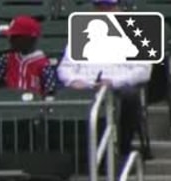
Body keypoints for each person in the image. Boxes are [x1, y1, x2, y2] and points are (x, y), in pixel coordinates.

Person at [58, 0, 151, 165]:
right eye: (100, 7)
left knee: (130, 96)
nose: (104, 11)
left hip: (117, 88)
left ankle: (122, 149)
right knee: (64, 95)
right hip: (86, 88)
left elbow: (144, 71)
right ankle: (81, 154)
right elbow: (64, 69)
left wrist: (113, 82)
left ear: (118, 8)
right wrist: (74, 80)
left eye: (109, 7)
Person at [0, 16, 56, 97]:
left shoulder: (43, 64)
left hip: (33, 107)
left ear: (29, 39)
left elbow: (49, 93)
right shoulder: (9, 58)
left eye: (15, 37)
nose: (10, 40)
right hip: (11, 104)